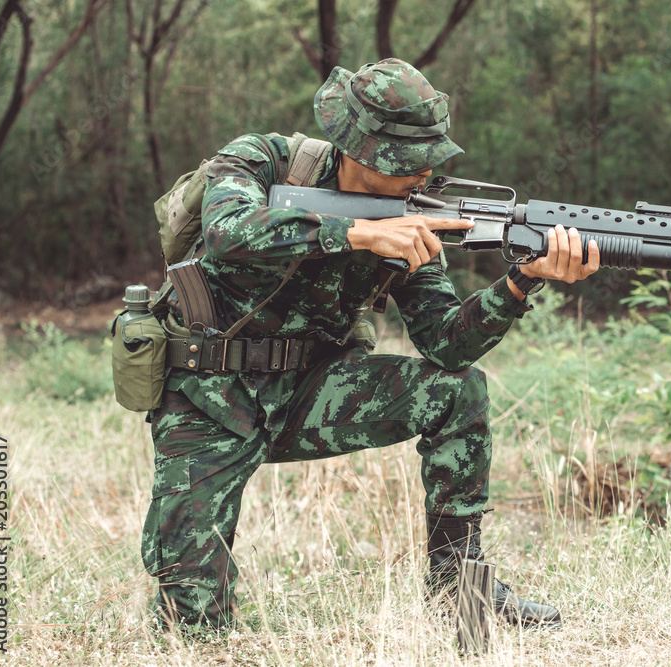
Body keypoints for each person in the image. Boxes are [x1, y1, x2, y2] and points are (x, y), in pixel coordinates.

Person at [141, 58, 601, 631]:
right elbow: (227, 230)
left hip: (313, 392)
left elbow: (445, 344)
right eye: (408, 163)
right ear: (358, 150)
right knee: (193, 626)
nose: (422, 176)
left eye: (428, 162)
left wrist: (520, 281)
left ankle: (459, 588)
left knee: (456, 393)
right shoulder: (263, 159)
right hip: (208, 400)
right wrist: (357, 233)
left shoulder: (412, 217)